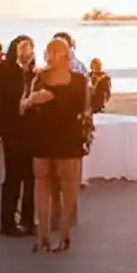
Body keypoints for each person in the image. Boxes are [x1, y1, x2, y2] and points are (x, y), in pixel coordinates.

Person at [23, 38, 89, 253]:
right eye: (50, 50)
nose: (52, 55)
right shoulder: (39, 77)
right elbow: (25, 105)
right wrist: (33, 100)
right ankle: (43, 235)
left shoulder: (79, 80)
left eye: (57, 51)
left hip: (68, 136)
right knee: (41, 181)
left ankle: (64, 233)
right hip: (42, 135)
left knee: (67, 184)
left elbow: (85, 110)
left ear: (66, 53)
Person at [0, 36, 36, 236]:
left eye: (29, 48)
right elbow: (9, 98)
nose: (27, 52)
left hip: (29, 129)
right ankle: (7, 221)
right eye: (24, 48)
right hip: (13, 130)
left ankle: (29, 220)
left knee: (31, 176)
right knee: (13, 176)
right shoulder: (7, 70)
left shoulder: (31, 72)